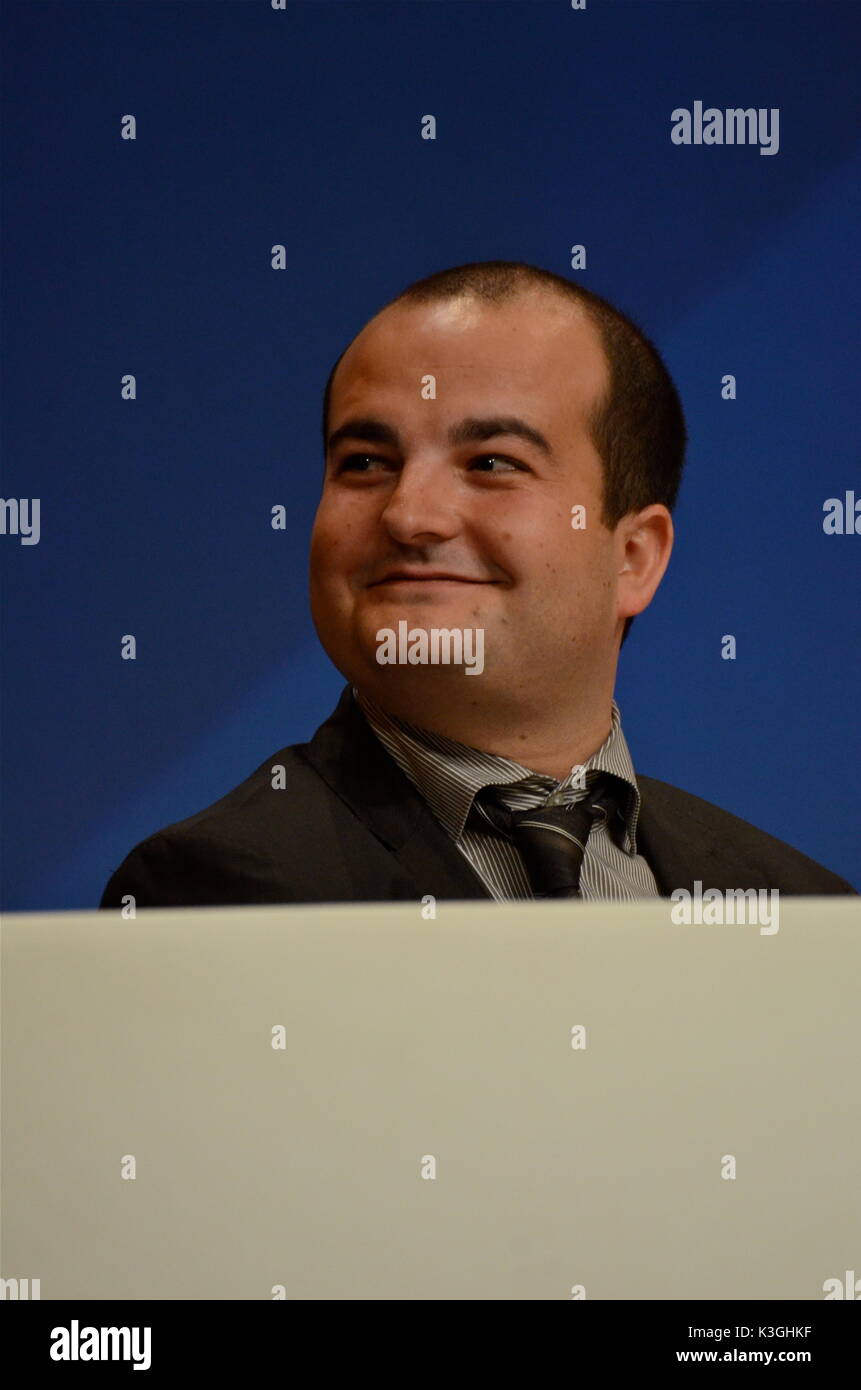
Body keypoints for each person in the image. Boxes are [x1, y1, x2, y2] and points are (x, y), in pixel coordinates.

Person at [100, 260, 855, 908]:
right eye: (365, 462)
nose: (409, 514)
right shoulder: (214, 895)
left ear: (633, 556)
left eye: (491, 462)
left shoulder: (799, 911)